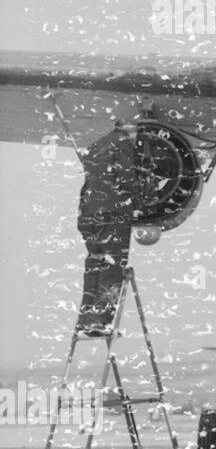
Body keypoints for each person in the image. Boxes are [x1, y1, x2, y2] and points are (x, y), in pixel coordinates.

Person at [76, 123, 143, 336]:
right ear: (130, 130)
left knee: (95, 263)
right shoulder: (122, 145)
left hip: (88, 214)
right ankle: (99, 321)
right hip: (112, 214)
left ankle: (85, 319)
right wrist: (139, 203)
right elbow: (127, 178)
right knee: (112, 266)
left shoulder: (96, 145)